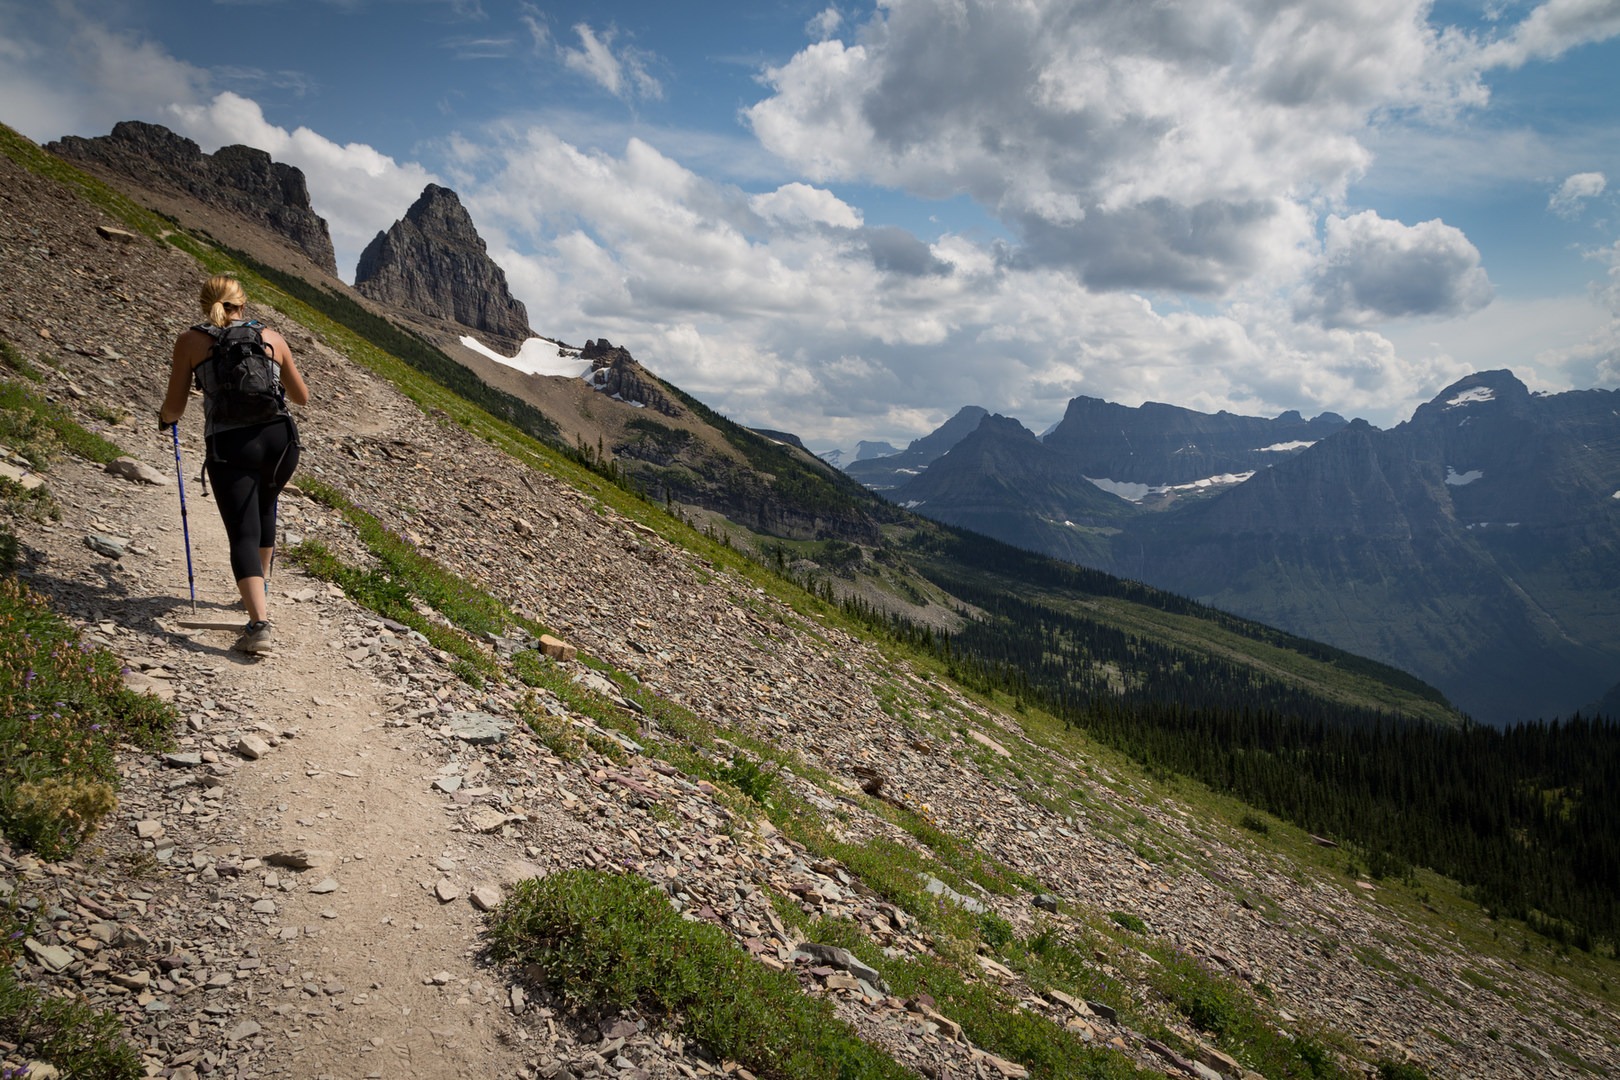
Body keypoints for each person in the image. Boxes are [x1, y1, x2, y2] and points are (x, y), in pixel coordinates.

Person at [160, 274, 309, 654]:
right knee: (265, 506)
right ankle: (260, 586)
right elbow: (301, 397)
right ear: (243, 304)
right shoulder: (271, 337)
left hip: (230, 443)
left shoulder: (191, 341)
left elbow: (175, 404)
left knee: (242, 530)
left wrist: (165, 418)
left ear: (204, 303)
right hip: (280, 440)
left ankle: (259, 625)